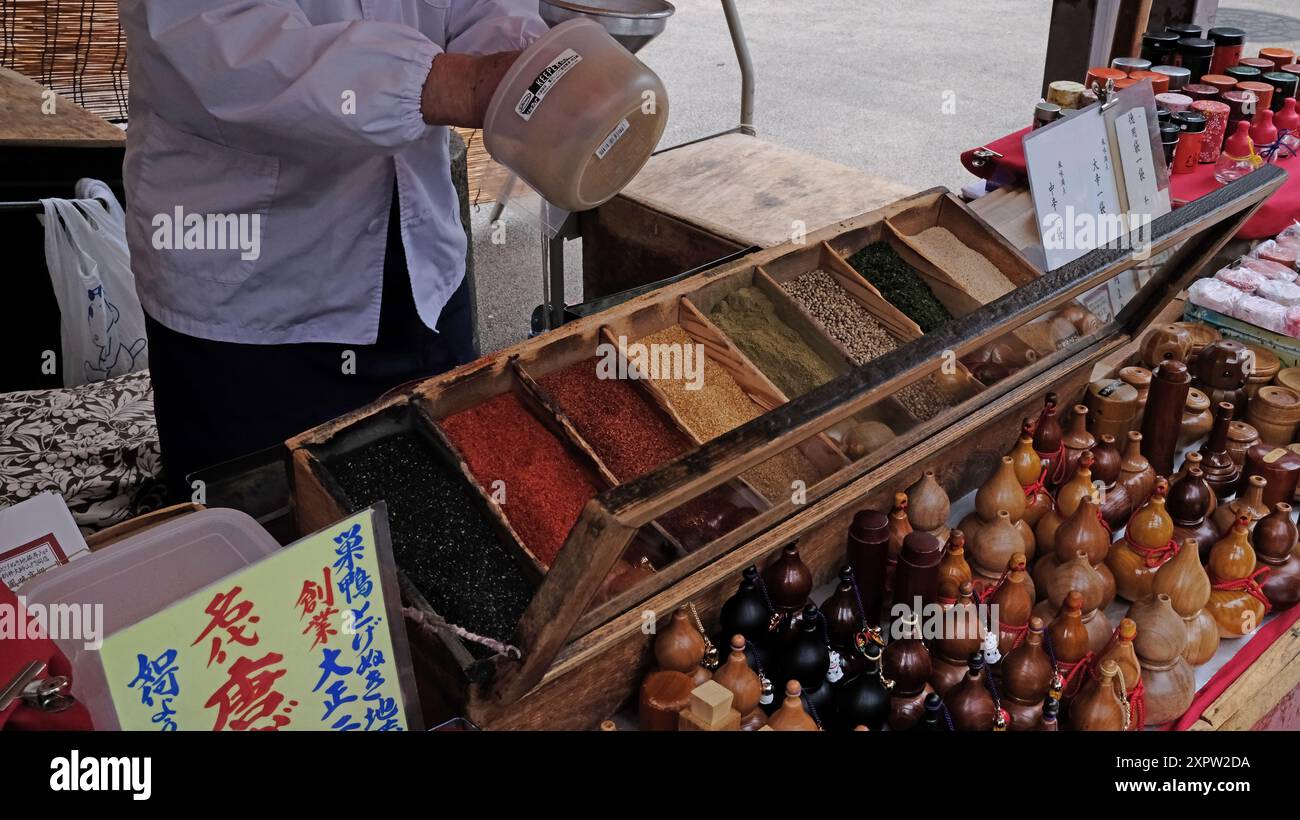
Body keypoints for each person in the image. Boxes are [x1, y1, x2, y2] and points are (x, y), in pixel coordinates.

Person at [118, 0, 546, 499]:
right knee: (270, 540)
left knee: (447, 517)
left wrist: (523, 59)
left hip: (420, 258)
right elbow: (222, 43)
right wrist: (460, 83)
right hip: (258, 298)